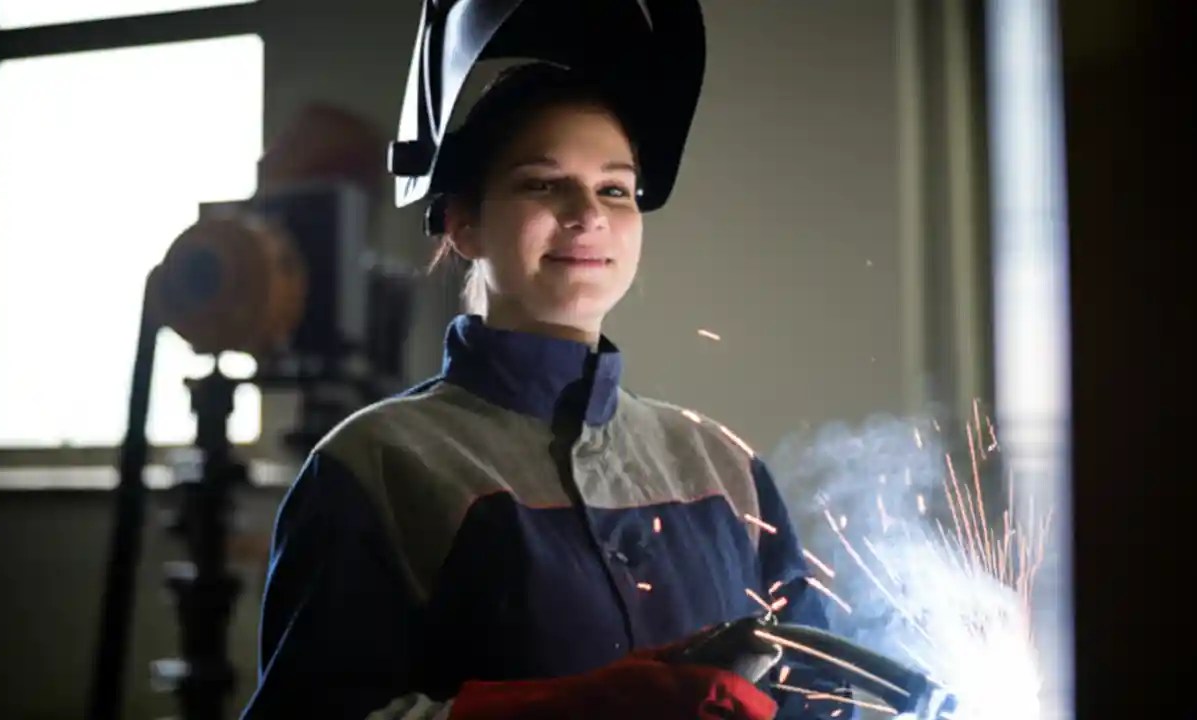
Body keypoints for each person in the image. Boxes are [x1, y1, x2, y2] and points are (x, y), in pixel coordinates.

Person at [241, 62, 851, 720]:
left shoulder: (722, 465)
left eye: (615, 190)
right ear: (463, 222)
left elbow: (821, 693)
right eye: (542, 183)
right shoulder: (377, 465)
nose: (588, 215)